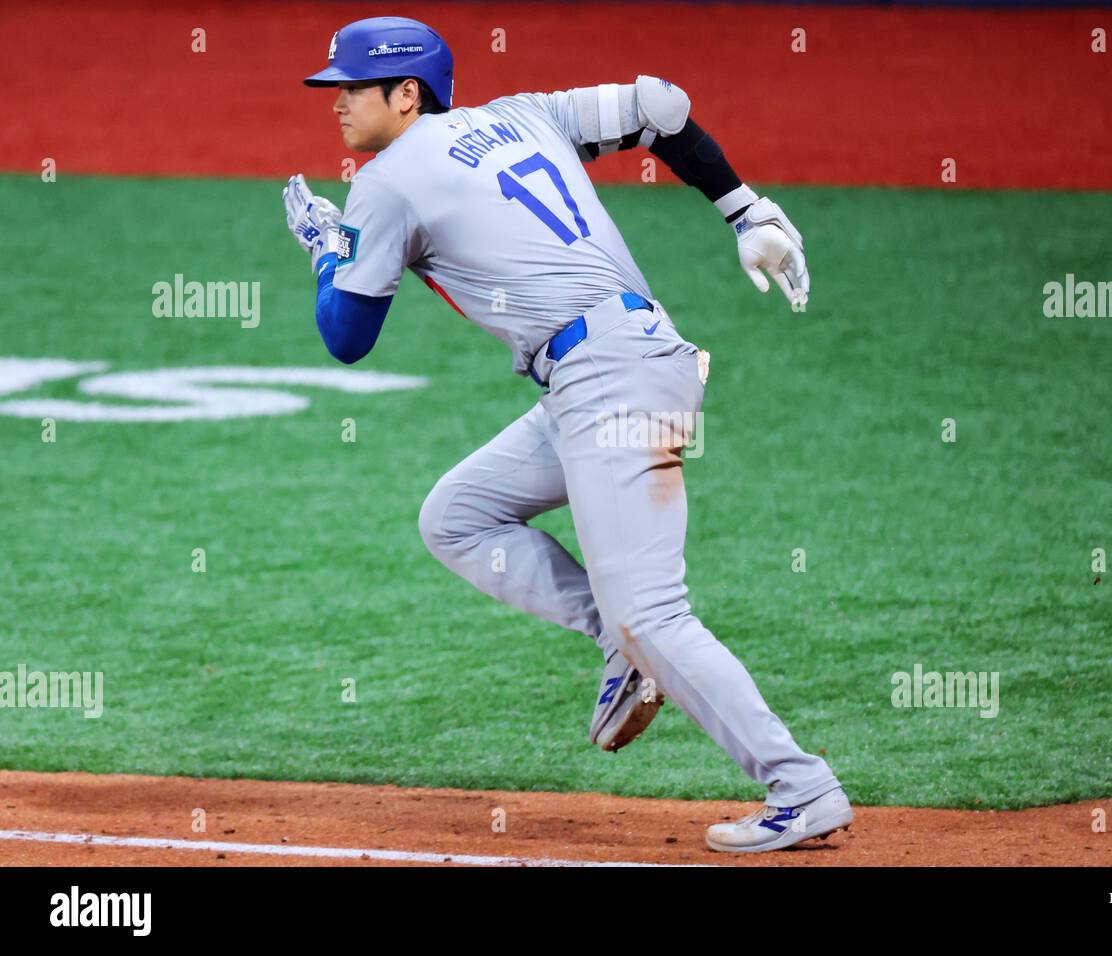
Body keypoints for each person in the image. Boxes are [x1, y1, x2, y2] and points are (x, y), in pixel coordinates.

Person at [283, 15, 852, 852]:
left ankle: (800, 787)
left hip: (606, 385)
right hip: (625, 363)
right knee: (457, 516)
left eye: (350, 88)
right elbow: (659, 104)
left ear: (407, 95)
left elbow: (347, 337)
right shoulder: (524, 113)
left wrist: (329, 252)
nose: (334, 103)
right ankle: (618, 647)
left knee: (654, 611)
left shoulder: (388, 180)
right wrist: (743, 208)